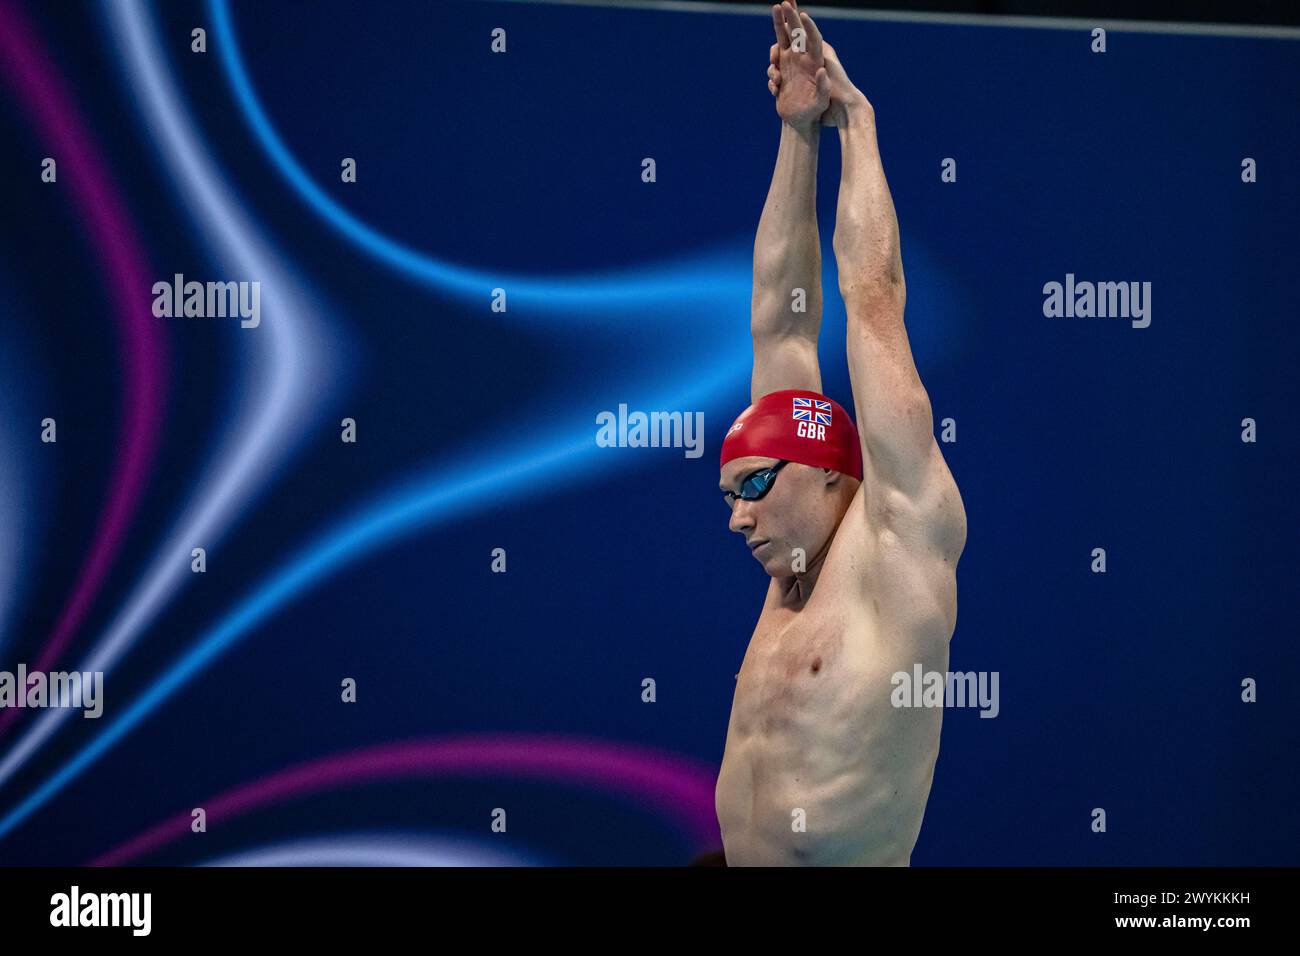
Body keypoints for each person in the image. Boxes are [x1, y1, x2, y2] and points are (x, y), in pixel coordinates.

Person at [712, 1, 967, 866]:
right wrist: (798, 133)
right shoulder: (793, 572)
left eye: (752, 488)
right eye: (730, 494)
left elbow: (873, 301)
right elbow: (778, 325)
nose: (738, 518)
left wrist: (856, 121)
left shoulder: (898, 540)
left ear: (826, 473)